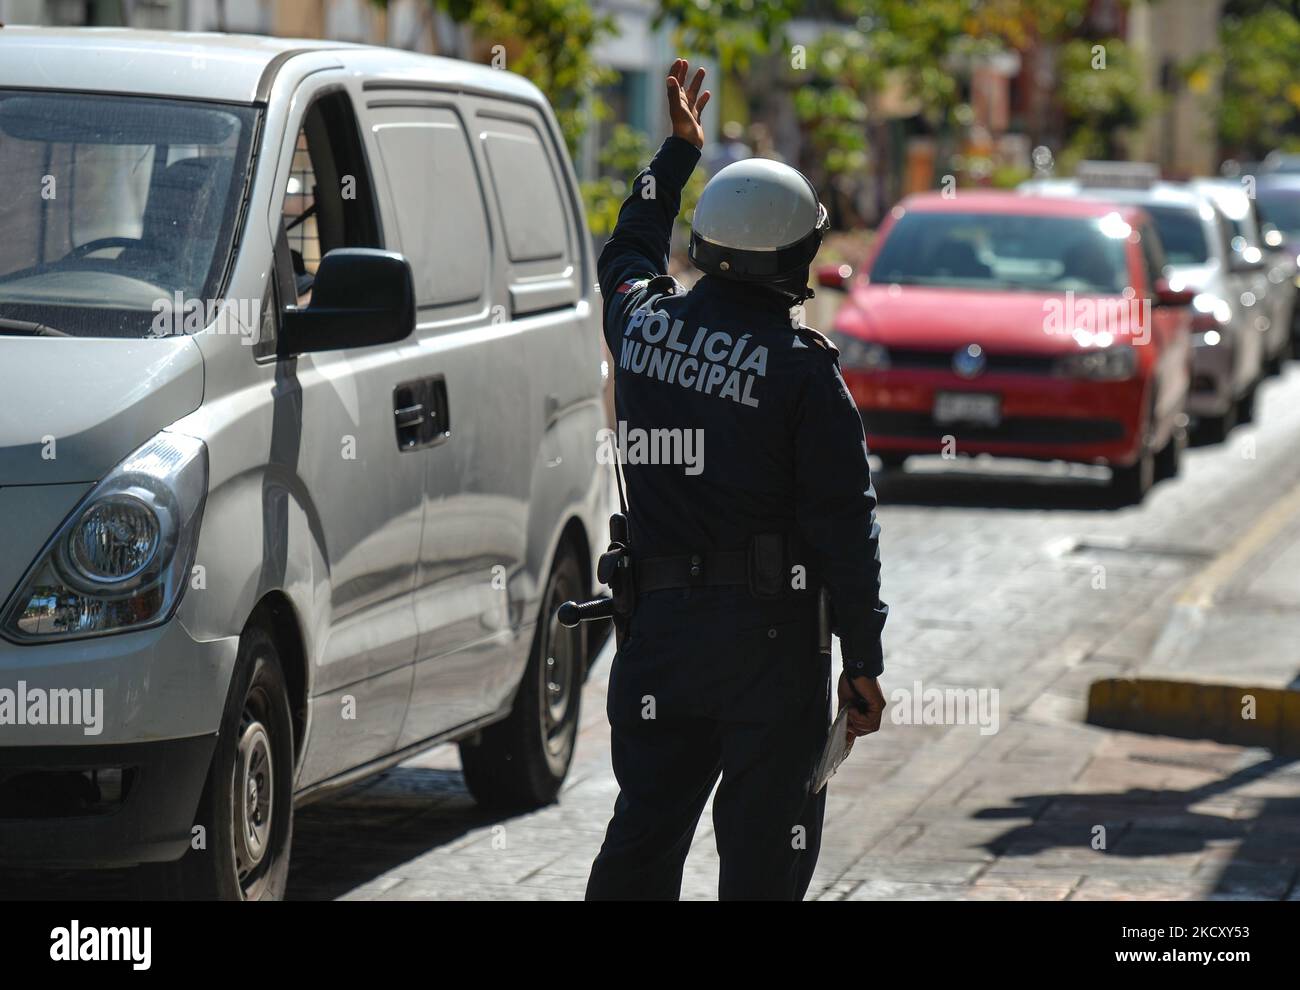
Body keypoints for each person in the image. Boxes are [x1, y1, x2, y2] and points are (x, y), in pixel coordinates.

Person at [585, 59, 888, 901]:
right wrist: (863, 660)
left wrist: (676, 156)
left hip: (660, 643)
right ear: (798, 256)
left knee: (641, 844)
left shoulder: (642, 327)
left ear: (711, 246)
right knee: (763, 868)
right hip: (770, 656)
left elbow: (628, 249)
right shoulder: (803, 376)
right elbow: (845, 527)